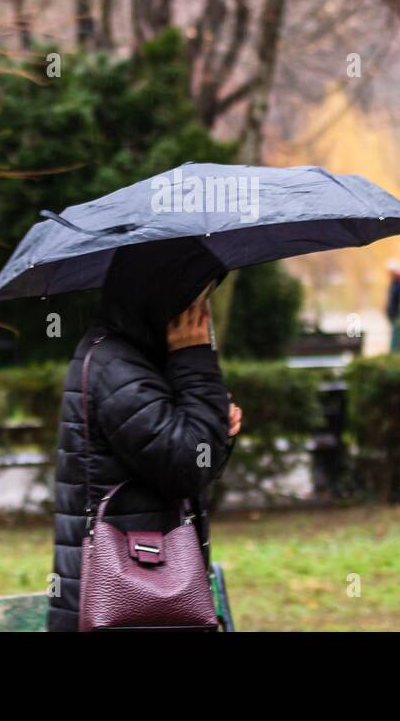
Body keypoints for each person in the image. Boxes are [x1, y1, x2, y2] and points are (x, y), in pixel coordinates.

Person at [47, 238, 243, 632]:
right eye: (194, 302)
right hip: (125, 604)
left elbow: (192, 466)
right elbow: (185, 465)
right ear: (160, 297)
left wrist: (216, 426)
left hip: (143, 599)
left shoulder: (138, 361)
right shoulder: (118, 370)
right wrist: (195, 363)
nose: (202, 317)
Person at [385, 259, 400, 351]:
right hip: (393, 313)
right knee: (395, 333)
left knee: (397, 334)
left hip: (398, 313)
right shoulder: (394, 283)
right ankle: (394, 351)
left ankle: (395, 351)